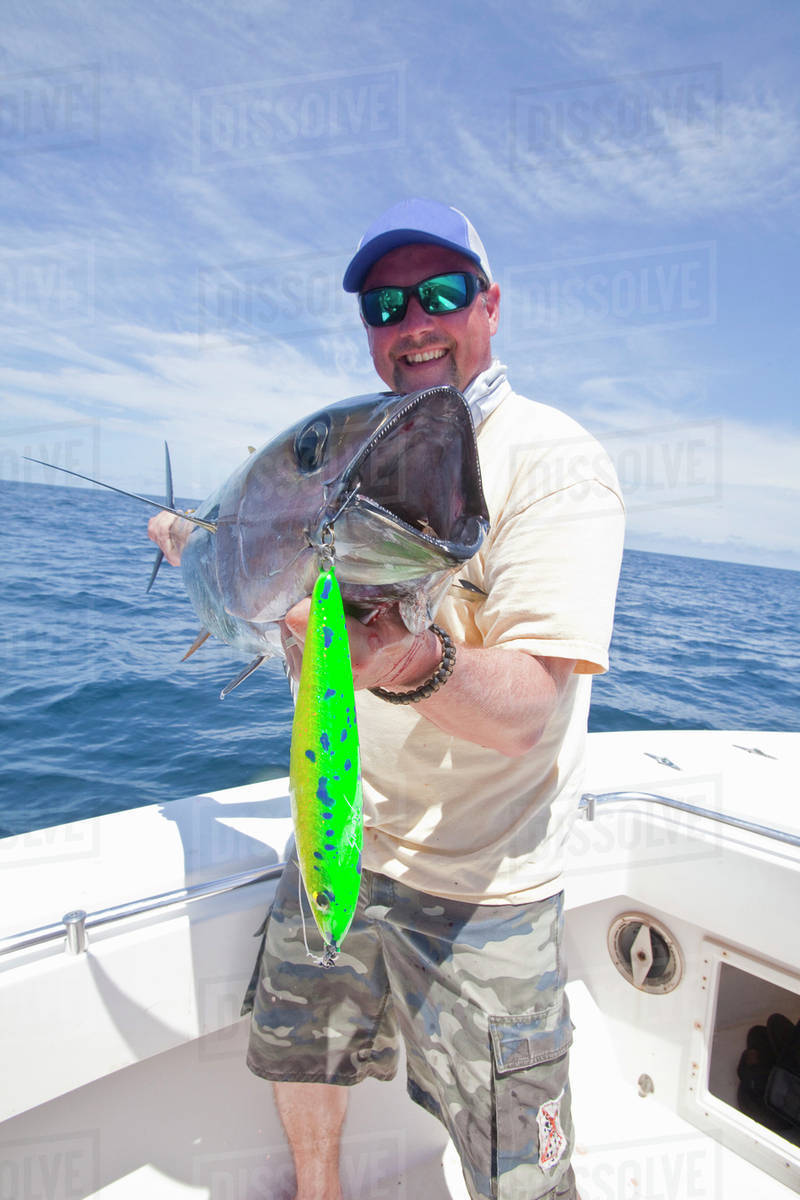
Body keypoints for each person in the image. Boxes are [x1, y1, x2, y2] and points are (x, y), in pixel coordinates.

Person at [149, 198, 625, 1200]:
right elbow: (259, 576)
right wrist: (197, 550)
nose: (411, 321)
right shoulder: (359, 451)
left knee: (521, 1174)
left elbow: (526, 710)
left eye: (441, 293)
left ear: (489, 304)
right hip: (338, 838)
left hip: (483, 889)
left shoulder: (556, 462)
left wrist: (400, 659)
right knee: (297, 1052)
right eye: (384, 303)